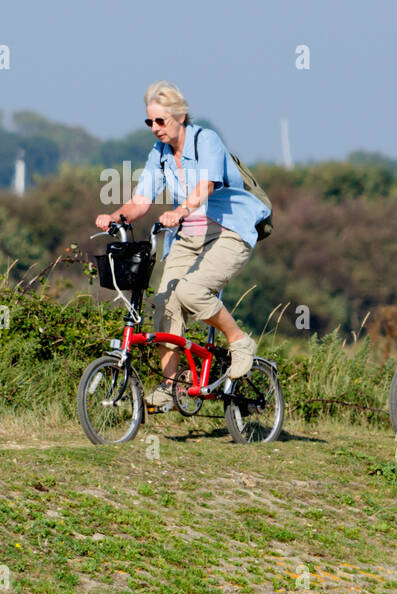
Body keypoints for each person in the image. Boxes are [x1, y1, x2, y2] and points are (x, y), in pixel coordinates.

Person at [94, 81, 270, 409]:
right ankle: (171, 386)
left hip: (230, 230)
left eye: (161, 121)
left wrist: (181, 210)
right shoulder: (159, 154)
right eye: (150, 122)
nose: (155, 128)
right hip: (189, 234)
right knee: (165, 302)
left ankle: (239, 341)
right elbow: (141, 201)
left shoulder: (207, 141)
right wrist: (116, 215)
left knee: (192, 292)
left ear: (181, 116)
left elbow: (206, 185)